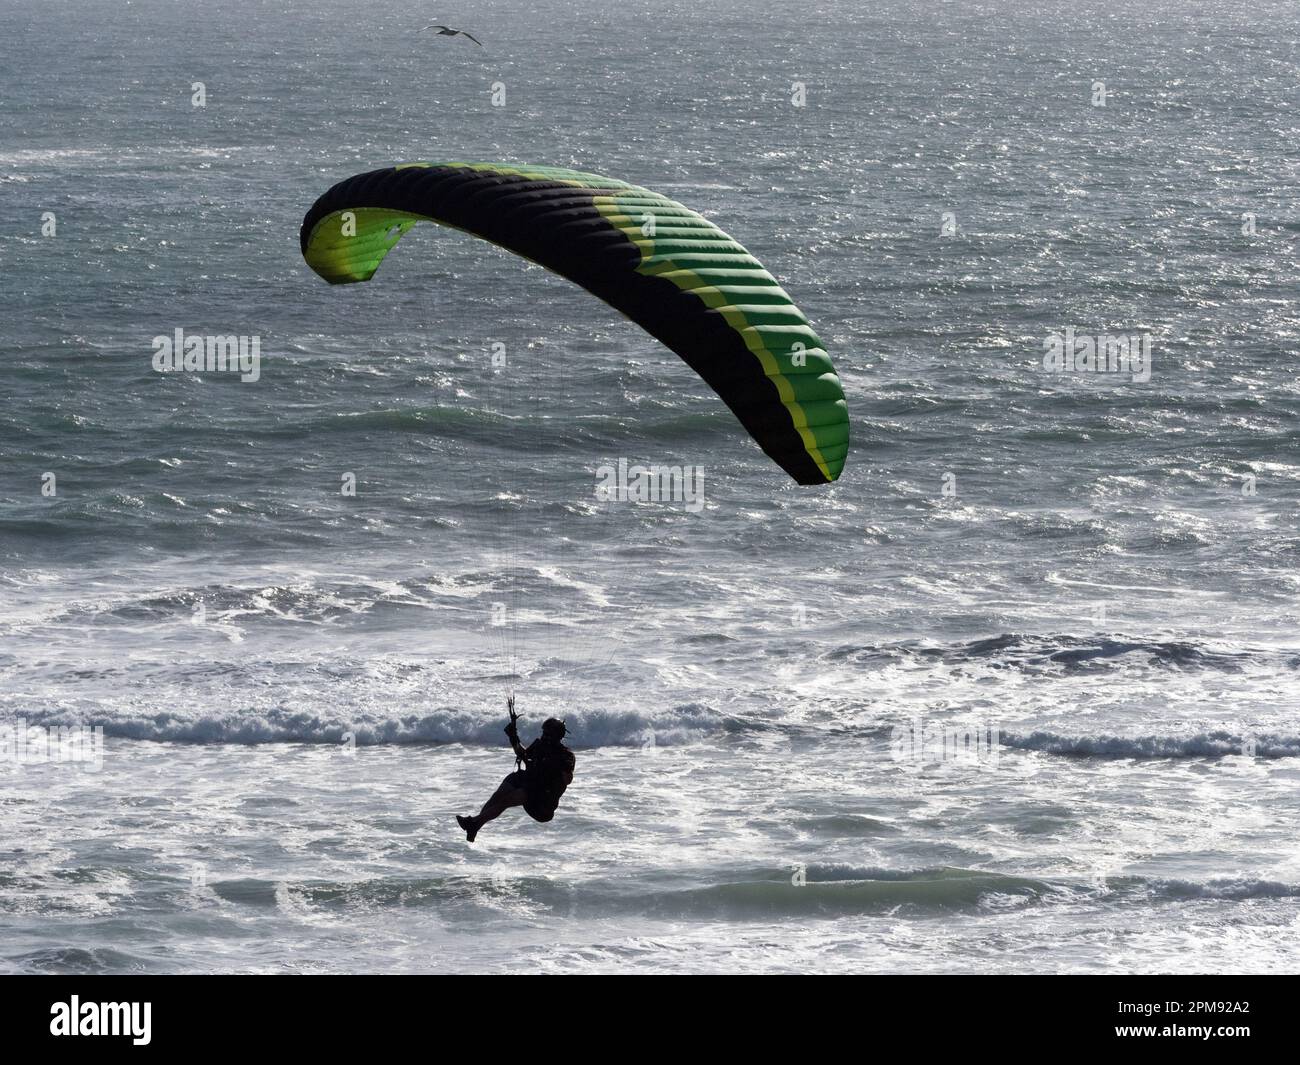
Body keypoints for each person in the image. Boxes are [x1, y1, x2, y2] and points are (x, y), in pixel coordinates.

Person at [457, 698, 575, 843]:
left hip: (542, 801)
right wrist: (513, 737)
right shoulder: (540, 745)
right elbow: (522, 754)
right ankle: (475, 825)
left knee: (506, 800)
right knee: (500, 794)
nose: (544, 737)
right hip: (531, 784)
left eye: (547, 735)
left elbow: (567, 780)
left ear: (557, 737)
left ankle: (474, 824)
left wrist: (555, 763)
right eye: (543, 733)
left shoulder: (566, 755)